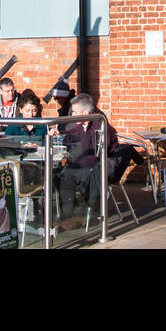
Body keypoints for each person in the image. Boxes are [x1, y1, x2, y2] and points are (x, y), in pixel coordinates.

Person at [54, 93, 118, 229]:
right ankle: (69, 215)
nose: (72, 115)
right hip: (86, 166)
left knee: (68, 174)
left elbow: (96, 155)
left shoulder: (100, 127)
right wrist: (59, 134)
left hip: (99, 169)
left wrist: (73, 159)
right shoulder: (84, 124)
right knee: (61, 175)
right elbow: (74, 131)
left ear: (86, 113)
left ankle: (80, 214)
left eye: (75, 112)